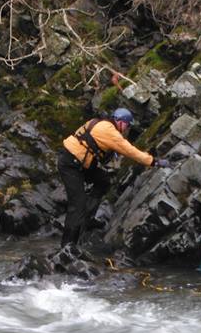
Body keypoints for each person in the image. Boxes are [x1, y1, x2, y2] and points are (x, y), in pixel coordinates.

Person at [57, 107, 170, 250]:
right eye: (127, 125)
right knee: (77, 204)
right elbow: (130, 151)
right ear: (121, 122)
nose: (126, 129)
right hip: (70, 165)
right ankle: (67, 246)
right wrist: (154, 161)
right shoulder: (110, 132)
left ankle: (88, 219)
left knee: (103, 181)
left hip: (79, 161)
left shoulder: (100, 123)